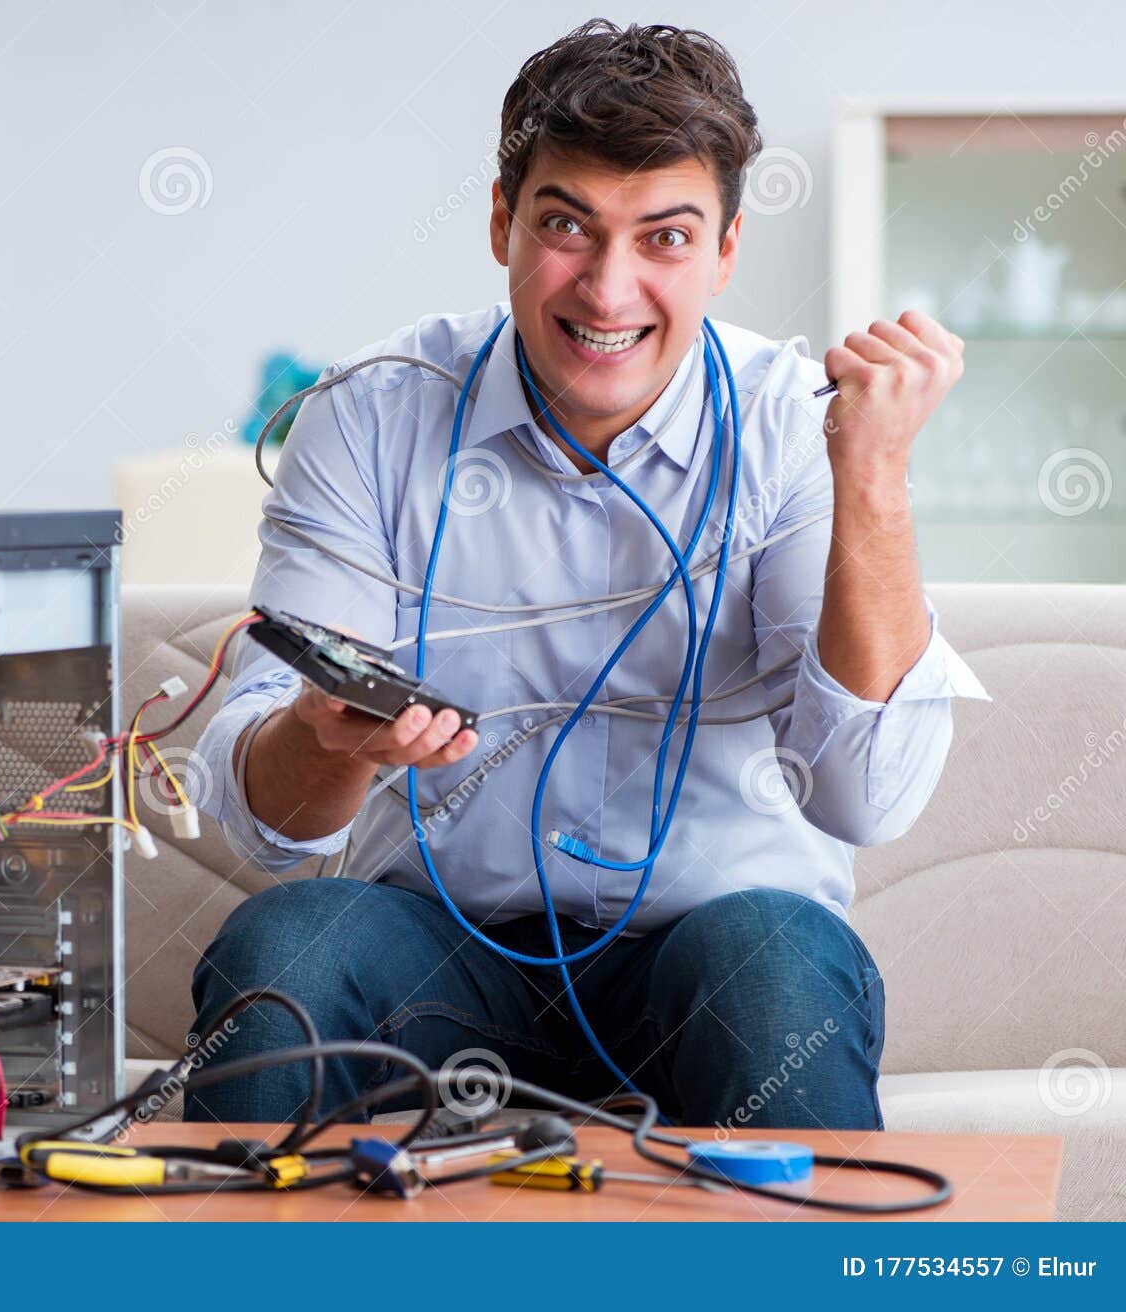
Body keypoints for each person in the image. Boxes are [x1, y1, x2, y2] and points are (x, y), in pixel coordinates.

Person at [184, 18, 988, 1131]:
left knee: (775, 965)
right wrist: (329, 741)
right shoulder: (370, 417)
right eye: (566, 226)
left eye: (663, 237)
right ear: (504, 223)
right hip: (438, 952)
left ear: (726, 248)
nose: (608, 293)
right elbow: (273, 831)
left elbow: (869, 797)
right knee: (285, 950)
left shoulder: (792, 426)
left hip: (711, 959)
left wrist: (876, 482)